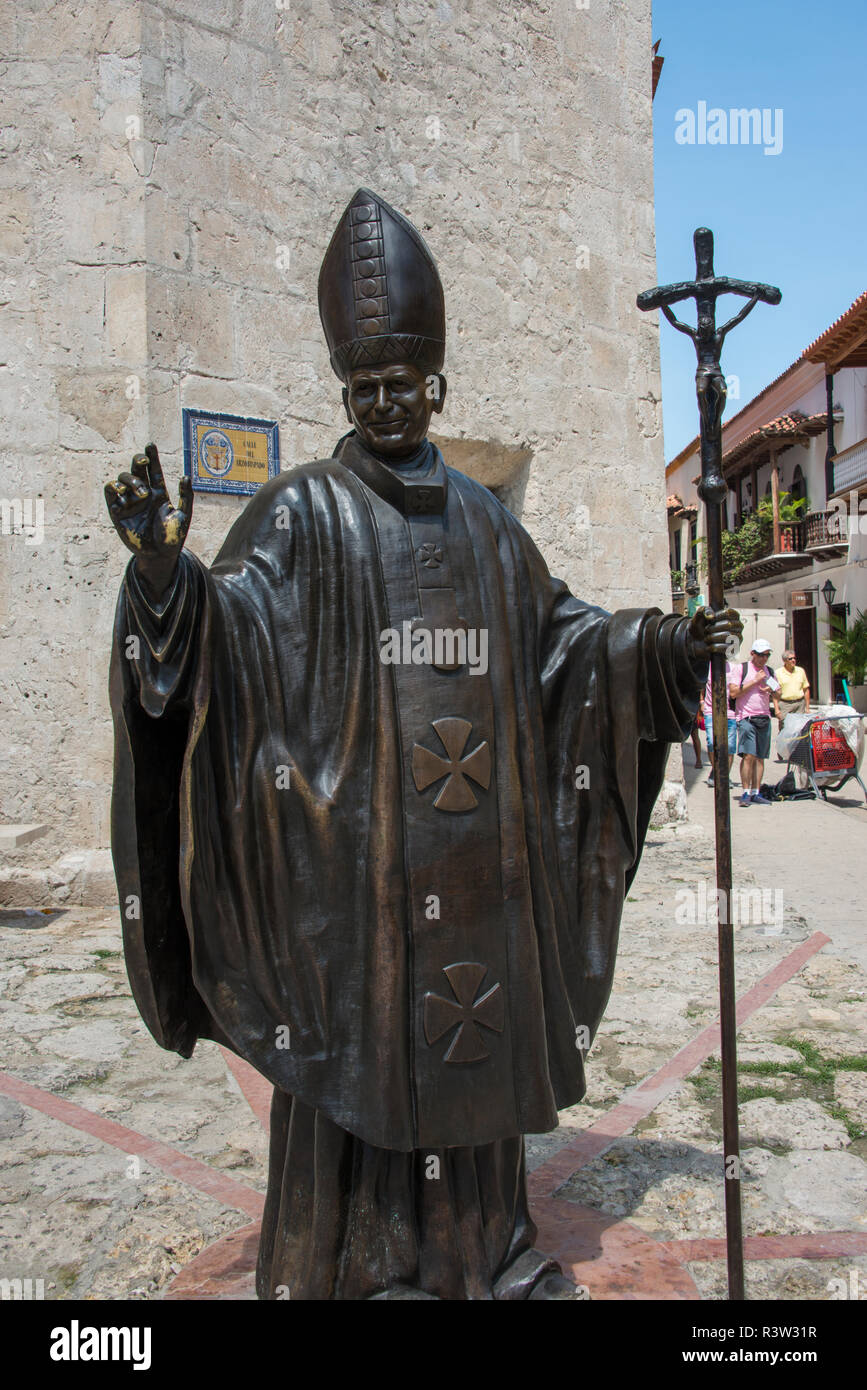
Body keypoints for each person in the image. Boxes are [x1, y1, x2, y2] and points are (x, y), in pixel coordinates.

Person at [104, 188, 741, 1301]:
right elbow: (230, 641)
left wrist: (667, 644)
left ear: (436, 386)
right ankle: (350, 1269)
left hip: (479, 880)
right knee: (360, 1063)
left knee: (469, 1058)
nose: (386, 400)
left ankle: (479, 1256)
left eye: (404, 382)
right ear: (345, 390)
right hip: (355, 883)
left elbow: (566, 646)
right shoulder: (305, 512)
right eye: (365, 386)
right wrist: (165, 577)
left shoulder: (490, 523)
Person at [734, 638, 781, 805]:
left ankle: (756, 791)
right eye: (761, 655)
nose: (764, 659)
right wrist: (754, 681)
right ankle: (745, 792)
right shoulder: (742, 669)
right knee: (748, 756)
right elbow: (733, 693)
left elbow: (778, 694)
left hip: (764, 717)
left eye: (767, 655)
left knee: (760, 757)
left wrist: (771, 689)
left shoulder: (770, 671)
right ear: (752, 654)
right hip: (747, 717)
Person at [703, 659, 740, 787]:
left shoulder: (735, 668)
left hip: (730, 712)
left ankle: (723, 776)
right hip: (710, 711)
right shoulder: (706, 667)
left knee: (729, 747)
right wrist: (701, 702)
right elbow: (698, 686)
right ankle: (718, 772)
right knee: (712, 743)